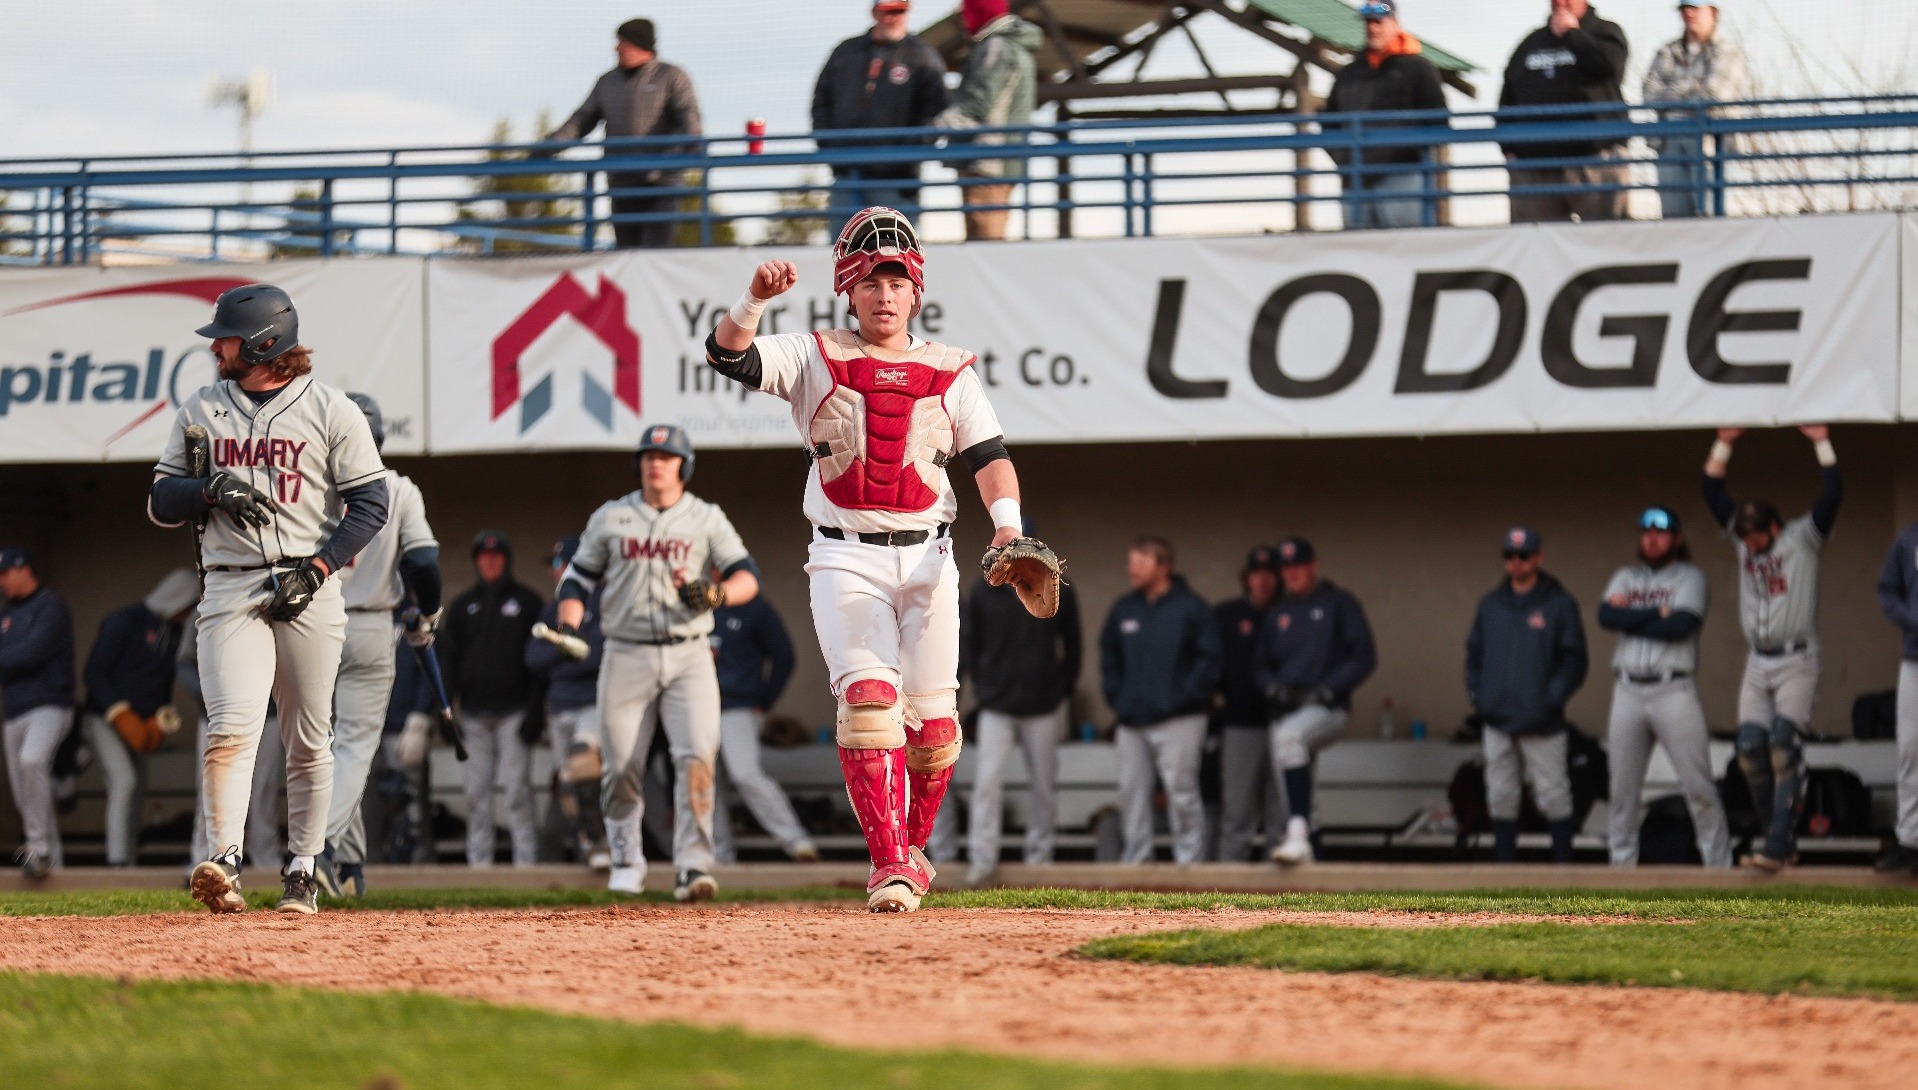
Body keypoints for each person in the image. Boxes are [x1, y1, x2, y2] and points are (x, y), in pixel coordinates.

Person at [705, 205, 1040, 913]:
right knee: (868, 706)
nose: (884, 294)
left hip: (930, 558)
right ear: (848, 289)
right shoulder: (812, 355)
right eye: (871, 281)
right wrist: (754, 300)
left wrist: (1007, 529)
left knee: (937, 730)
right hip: (844, 558)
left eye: (896, 280)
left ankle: (911, 853)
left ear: (915, 289)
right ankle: (888, 864)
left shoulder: (950, 370)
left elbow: (990, 459)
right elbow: (729, 354)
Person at [147, 283, 390, 915]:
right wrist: (208, 489)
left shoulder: (332, 408)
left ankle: (302, 870)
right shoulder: (201, 406)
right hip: (230, 582)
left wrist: (318, 568)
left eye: (227, 337)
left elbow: (371, 505)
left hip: (308, 583)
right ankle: (224, 859)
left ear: (263, 342)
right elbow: (160, 502)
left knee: (309, 737)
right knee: (231, 723)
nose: (217, 347)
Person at [555, 425, 761, 901]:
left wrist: (718, 594)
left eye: (666, 456)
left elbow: (747, 576)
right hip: (626, 650)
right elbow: (576, 582)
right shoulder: (612, 517)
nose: (656, 463)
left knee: (696, 758)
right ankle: (626, 857)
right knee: (621, 765)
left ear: (683, 466)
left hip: (690, 652)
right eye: (649, 455)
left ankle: (693, 864)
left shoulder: (705, 517)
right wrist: (568, 626)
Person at [313, 393, 440, 897]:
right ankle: (318, 850)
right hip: (368, 625)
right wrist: (426, 613)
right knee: (353, 749)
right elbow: (425, 562)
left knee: (321, 749)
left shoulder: (310, 485)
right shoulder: (399, 488)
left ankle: (349, 864)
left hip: (311, 622)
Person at [1702, 425, 1841, 870]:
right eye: (1745, 537)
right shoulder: (1745, 540)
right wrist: (1725, 440)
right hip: (1757, 660)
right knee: (1748, 750)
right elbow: (1711, 488)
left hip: (1797, 657)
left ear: (1773, 526)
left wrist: (1820, 440)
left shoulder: (1802, 538)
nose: (1748, 545)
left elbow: (1833, 492)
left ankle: (1780, 842)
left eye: (1756, 537)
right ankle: (1773, 840)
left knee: (1783, 746)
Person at [1597, 506, 1731, 868]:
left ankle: (1720, 870)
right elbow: (1606, 617)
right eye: (1646, 532)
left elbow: (1681, 625)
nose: (1652, 538)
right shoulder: (1625, 576)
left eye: (1660, 532)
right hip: (1626, 689)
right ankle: (1620, 873)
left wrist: (1633, 618)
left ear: (1677, 538)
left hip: (1674, 690)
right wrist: (1656, 613)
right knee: (1622, 793)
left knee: (1699, 788)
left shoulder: (1691, 577)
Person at [959, 519, 1081, 884]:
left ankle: (1039, 862)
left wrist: (1063, 691)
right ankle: (982, 861)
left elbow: (1073, 645)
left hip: (1043, 704)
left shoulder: (1054, 586)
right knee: (987, 784)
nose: (1014, 555)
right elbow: (969, 647)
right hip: (996, 705)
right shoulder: (983, 592)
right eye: (1009, 548)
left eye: (1020, 547)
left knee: (1044, 784)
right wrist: (973, 694)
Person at [1465, 528, 1588, 863]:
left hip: (1543, 722)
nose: (1516, 563)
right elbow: (1473, 654)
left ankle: (1563, 875)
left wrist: (1551, 699)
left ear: (1538, 557)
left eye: (1523, 556)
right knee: (1501, 796)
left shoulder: (1559, 604)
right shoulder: (1491, 605)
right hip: (1497, 719)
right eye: (1510, 556)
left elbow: (1575, 660)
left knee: (1553, 796)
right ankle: (1506, 875)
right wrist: (1479, 696)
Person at [1253, 537, 1378, 866]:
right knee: (1297, 798)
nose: (1292, 574)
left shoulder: (1339, 602)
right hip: (1286, 708)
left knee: (1289, 739)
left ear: (1313, 566)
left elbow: (1363, 656)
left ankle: (1295, 834)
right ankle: (1315, 873)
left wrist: (1329, 688)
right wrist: (1273, 688)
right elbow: (1260, 664)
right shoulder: (1279, 612)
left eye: (1298, 567)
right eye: (1286, 568)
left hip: (1326, 708)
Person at [1098, 537, 1220, 865]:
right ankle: (1137, 863)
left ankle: (1190, 864)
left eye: (1141, 562)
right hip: (1132, 720)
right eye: (1131, 561)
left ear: (1163, 566)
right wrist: (1118, 698)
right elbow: (1109, 656)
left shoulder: (1192, 607)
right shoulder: (1124, 608)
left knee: (1182, 792)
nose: (1132, 569)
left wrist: (1183, 698)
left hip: (1180, 719)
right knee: (1132, 794)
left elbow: (1210, 661)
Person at [547, 17, 703, 249]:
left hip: (661, 184)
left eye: (622, 42)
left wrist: (690, 148)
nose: (617, 48)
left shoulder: (671, 76)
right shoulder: (607, 82)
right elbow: (581, 121)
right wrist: (546, 148)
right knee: (626, 254)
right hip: (621, 182)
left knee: (655, 256)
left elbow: (689, 117)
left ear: (640, 44)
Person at [79, 569, 198, 868]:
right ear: (175, 598)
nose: (187, 612)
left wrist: (159, 718)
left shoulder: (173, 632)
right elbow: (94, 672)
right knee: (125, 780)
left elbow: (162, 682)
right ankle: (116, 862)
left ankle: (128, 859)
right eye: (187, 605)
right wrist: (119, 713)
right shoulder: (124, 621)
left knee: (138, 786)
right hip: (102, 719)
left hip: (141, 725)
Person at [441, 531, 544, 867]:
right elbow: (448, 664)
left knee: (517, 792)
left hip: (515, 713)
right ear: (476, 561)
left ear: (506, 560)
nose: (490, 561)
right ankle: (479, 870)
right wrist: (444, 712)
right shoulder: (461, 607)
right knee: (476, 796)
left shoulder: (528, 603)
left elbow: (539, 664)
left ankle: (526, 868)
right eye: (484, 556)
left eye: (496, 556)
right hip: (472, 715)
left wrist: (535, 710)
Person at [811, 1, 950, 237]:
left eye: (900, 11)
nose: (893, 18)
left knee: (897, 256)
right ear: (875, 12)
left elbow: (937, 111)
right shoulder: (846, 52)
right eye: (888, 11)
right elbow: (821, 101)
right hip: (847, 175)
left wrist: (906, 156)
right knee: (842, 252)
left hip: (896, 182)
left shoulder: (922, 56)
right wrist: (831, 149)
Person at [1498, 0, 1630, 223]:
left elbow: (1610, 68)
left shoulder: (1605, 32)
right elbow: (1508, 94)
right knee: (1535, 247)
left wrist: (1572, 34)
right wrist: (1508, 145)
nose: (1561, 2)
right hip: (1537, 166)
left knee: (1608, 242)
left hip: (1595, 160)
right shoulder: (1531, 42)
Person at [710, 595, 819, 864]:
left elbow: (784, 655)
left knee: (744, 773)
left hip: (739, 705)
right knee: (705, 781)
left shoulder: (752, 604)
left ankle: (797, 842)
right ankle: (718, 858)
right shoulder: (688, 602)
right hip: (697, 705)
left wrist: (764, 699)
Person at [1323, 1, 1447, 230]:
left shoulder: (1419, 68)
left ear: (1395, 24)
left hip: (1402, 179)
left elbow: (1438, 121)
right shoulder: (1348, 74)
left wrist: (1407, 154)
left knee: (1406, 250)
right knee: (1358, 255)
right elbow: (1328, 124)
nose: (1373, 28)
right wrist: (1345, 159)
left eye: (1379, 22)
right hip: (1356, 182)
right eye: (1368, 23)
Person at [526, 536, 610, 869]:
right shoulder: (553, 608)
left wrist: (566, 655)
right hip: (559, 705)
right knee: (567, 780)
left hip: (595, 702)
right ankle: (587, 842)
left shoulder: (602, 601)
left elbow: (597, 656)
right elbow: (533, 657)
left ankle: (603, 841)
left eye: (560, 565)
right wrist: (567, 653)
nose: (555, 572)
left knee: (584, 763)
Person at [932, 0, 1041, 241]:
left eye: (966, 13)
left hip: (988, 164)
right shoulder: (1008, 45)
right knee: (987, 244)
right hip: (997, 163)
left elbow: (976, 107)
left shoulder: (995, 47)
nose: (962, 19)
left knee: (986, 245)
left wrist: (931, 129)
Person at [0, 548, 75, 879]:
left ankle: (39, 847)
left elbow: (33, 652)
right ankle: (49, 862)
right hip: (14, 709)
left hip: (50, 704)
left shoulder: (50, 605)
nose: (2, 581)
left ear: (22, 570)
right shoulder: (7, 614)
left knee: (32, 761)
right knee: (23, 790)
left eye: (5, 573)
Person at [1641, 1, 1748, 219]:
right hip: (1668, 143)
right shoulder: (1666, 52)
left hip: (1712, 145)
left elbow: (1715, 96)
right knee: (1675, 223)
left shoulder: (1728, 52)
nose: (1689, 13)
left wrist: (1673, 91)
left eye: (1696, 7)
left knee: (1713, 220)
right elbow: (1650, 95)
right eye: (1684, 8)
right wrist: (1693, 87)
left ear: (1713, 12)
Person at [1215, 546, 1286, 862]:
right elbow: (1211, 664)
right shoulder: (1227, 615)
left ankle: (1282, 894)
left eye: (1270, 574)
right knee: (1237, 810)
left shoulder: (1290, 613)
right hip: (1241, 723)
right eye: (1257, 574)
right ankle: (1226, 892)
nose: (1263, 581)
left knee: (1281, 811)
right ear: (1247, 578)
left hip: (1286, 722)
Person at [1874, 517, 1918, 875]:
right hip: (1915, 658)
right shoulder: (1909, 539)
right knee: (1911, 750)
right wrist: (1912, 618)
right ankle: (1911, 841)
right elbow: (1887, 590)